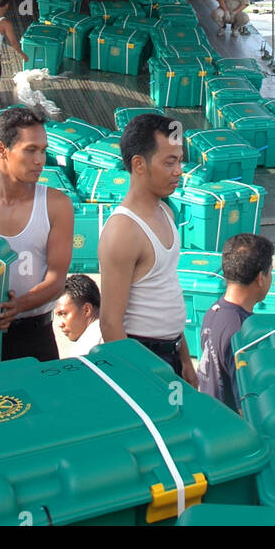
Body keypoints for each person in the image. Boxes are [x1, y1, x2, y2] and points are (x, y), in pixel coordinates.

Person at [0, 106, 73, 361]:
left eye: (43, 150)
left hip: (35, 337)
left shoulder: (57, 206)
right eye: (30, 150)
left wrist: (18, 306)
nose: (40, 160)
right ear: (1, 151)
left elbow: (56, 280)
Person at [98, 112, 197, 384]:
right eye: (169, 162)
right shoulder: (123, 231)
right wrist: (138, 381)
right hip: (144, 356)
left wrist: (186, 360)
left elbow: (167, 288)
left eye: (179, 161)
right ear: (139, 164)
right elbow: (110, 323)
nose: (179, 171)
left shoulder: (166, 212)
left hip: (173, 350)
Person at [197, 233, 274, 412]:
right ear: (260, 278)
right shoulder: (242, 331)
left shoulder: (214, 311)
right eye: (271, 272)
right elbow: (245, 406)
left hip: (213, 418)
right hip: (231, 430)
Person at [54, 274, 103, 356]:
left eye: (63, 314)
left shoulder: (86, 347)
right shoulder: (116, 330)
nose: (60, 324)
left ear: (87, 309)